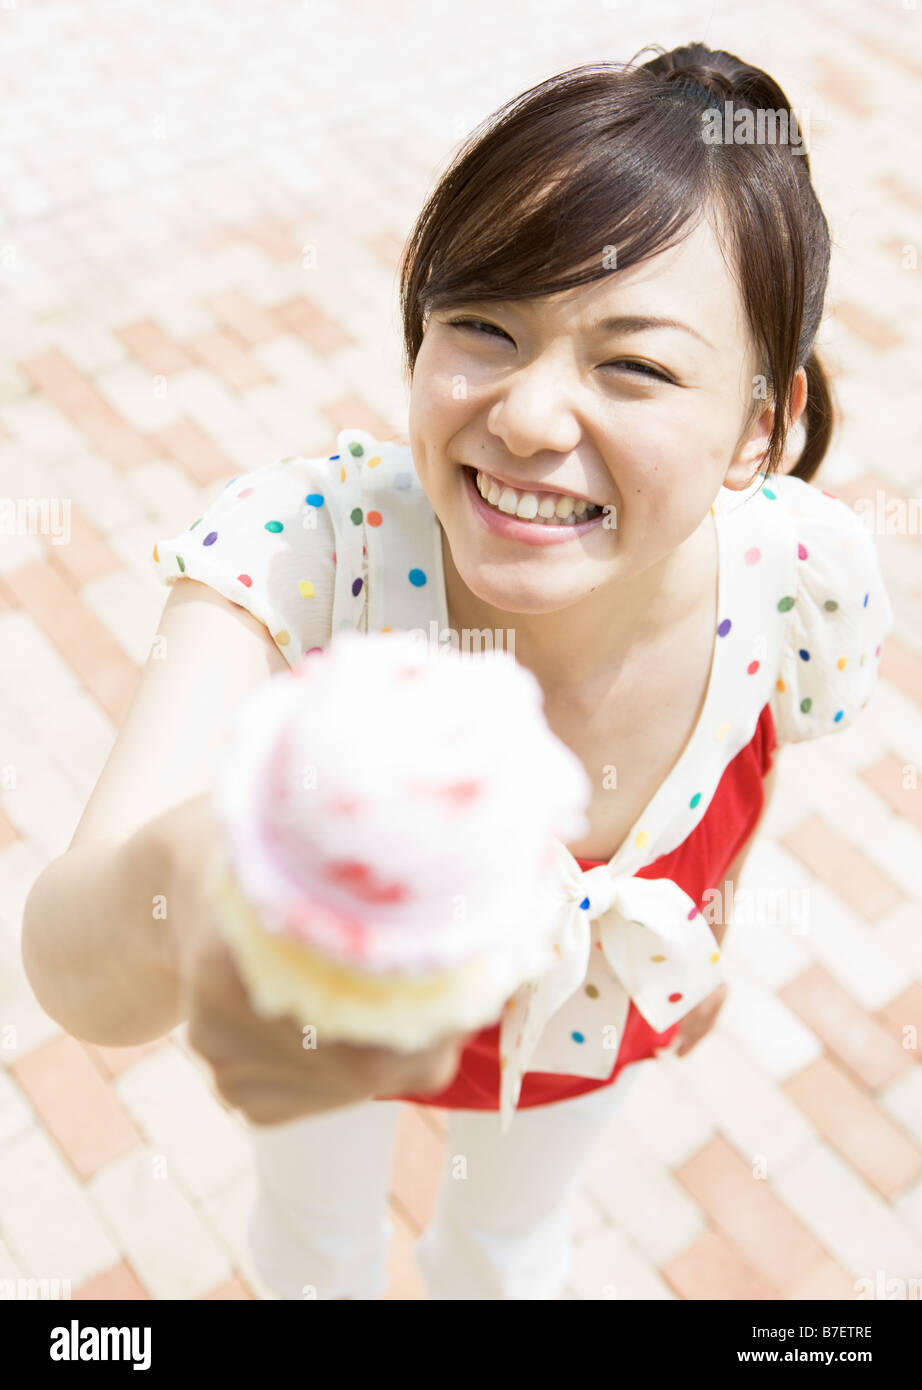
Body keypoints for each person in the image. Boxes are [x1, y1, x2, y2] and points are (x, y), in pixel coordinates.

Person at [21, 41, 895, 1300]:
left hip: (589, 1016)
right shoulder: (307, 554)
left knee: (505, 1252)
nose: (530, 418)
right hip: (337, 1026)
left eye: (634, 364)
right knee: (314, 1249)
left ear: (758, 424)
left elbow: (743, 772)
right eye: (483, 325)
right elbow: (72, 963)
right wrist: (224, 864)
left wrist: (706, 935)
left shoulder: (798, 574)